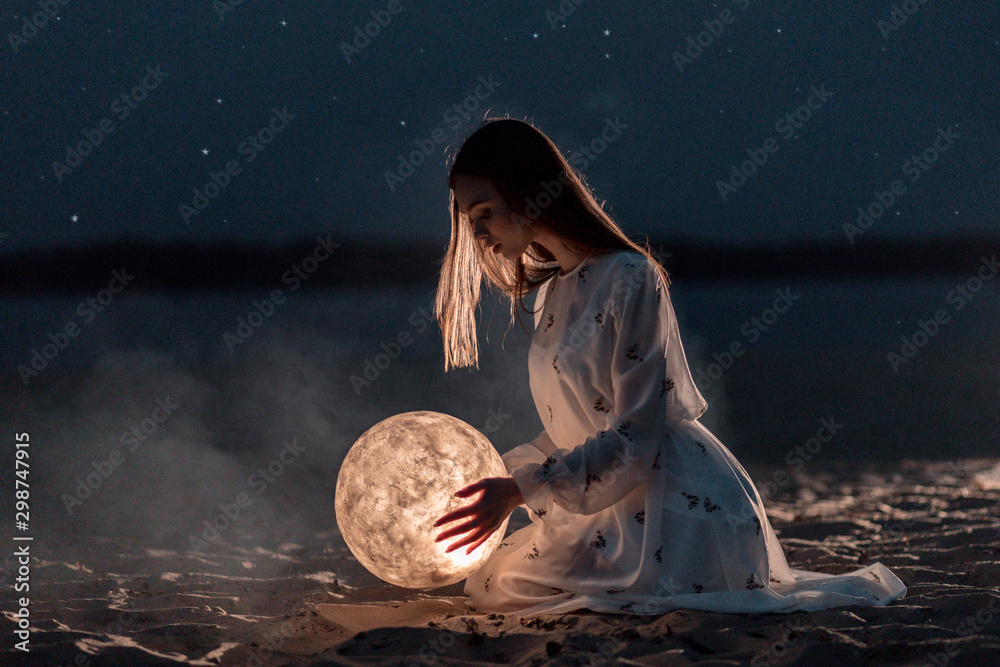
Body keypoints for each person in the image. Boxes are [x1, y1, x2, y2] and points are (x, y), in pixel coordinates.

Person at [431, 117, 906, 615]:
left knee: (515, 588)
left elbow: (637, 435)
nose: (478, 233)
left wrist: (522, 487)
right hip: (609, 500)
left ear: (527, 193)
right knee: (494, 579)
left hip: (671, 503)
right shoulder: (555, 289)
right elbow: (579, 422)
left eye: (484, 211)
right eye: (470, 220)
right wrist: (498, 476)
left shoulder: (630, 277)